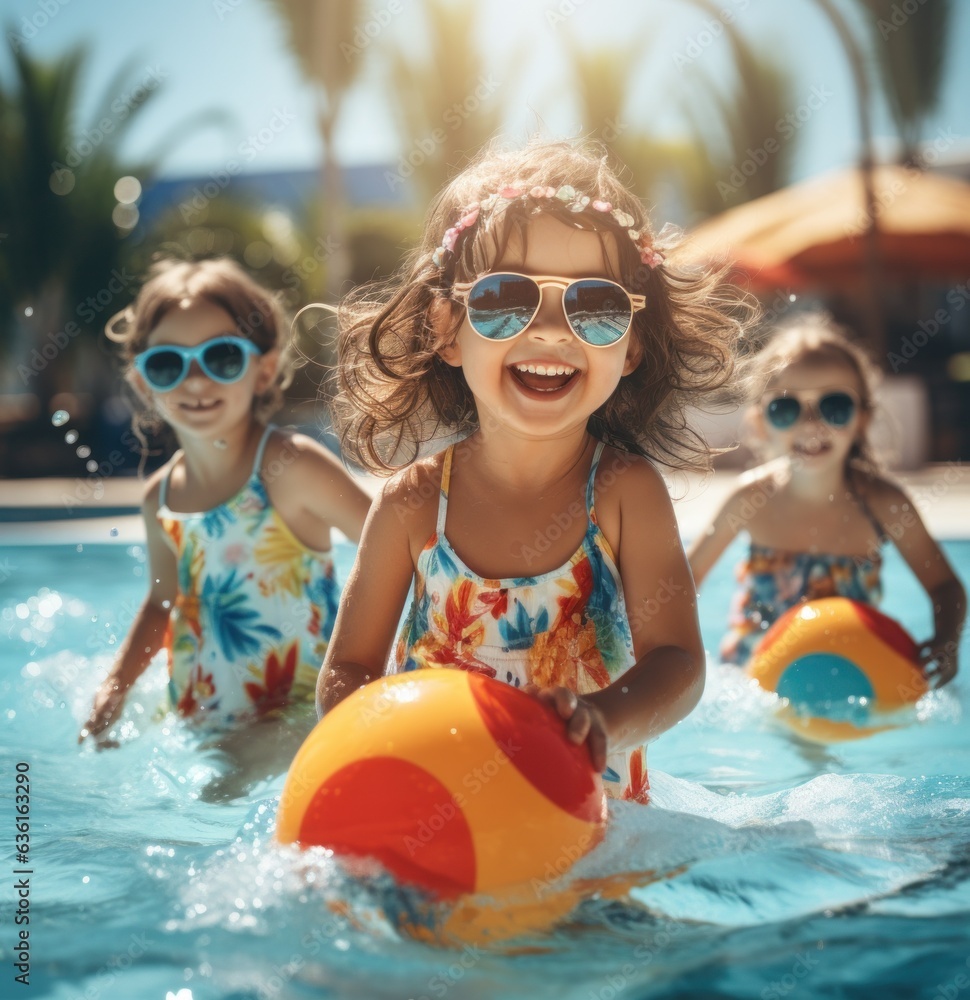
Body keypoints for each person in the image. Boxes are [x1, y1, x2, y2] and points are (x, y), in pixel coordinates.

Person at [317, 140, 754, 803]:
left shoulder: (623, 493)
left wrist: (604, 718)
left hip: (595, 821)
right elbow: (348, 667)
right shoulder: (414, 503)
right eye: (504, 299)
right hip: (446, 811)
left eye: (595, 306)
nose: (552, 331)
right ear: (447, 329)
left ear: (631, 345)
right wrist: (377, 751)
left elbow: (680, 663)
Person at [80, 258, 371, 745]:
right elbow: (160, 602)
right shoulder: (161, 500)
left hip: (299, 724)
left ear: (264, 370)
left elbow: (396, 553)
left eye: (220, 358)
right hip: (202, 720)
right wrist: (116, 685)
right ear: (143, 383)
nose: (195, 381)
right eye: (168, 363)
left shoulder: (292, 468)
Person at [688, 314, 965, 685]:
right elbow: (685, 581)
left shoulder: (883, 504)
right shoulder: (750, 499)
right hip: (753, 677)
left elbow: (944, 587)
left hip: (850, 673)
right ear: (760, 422)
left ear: (863, 419)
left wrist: (946, 642)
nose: (811, 424)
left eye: (834, 406)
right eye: (786, 408)